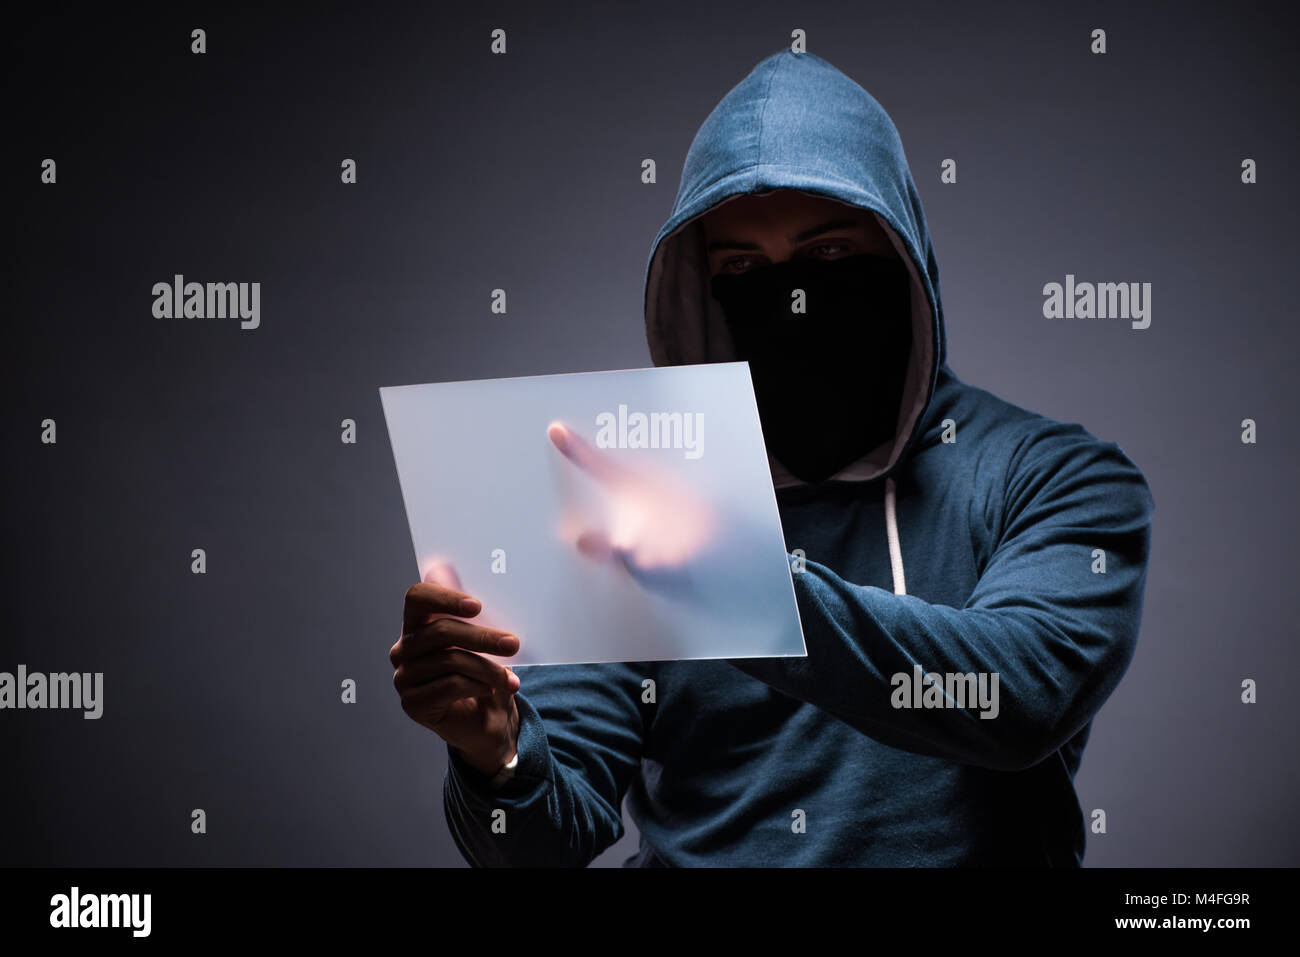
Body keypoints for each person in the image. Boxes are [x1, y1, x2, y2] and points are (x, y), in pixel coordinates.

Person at [390, 48, 1154, 866]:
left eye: (828, 255)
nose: (790, 300)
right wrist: (496, 752)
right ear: (706, 290)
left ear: (902, 263)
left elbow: (1020, 698)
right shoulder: (629, 507)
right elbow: (539, 842)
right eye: (742, 269)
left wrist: (734, 581)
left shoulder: (1056, 476)